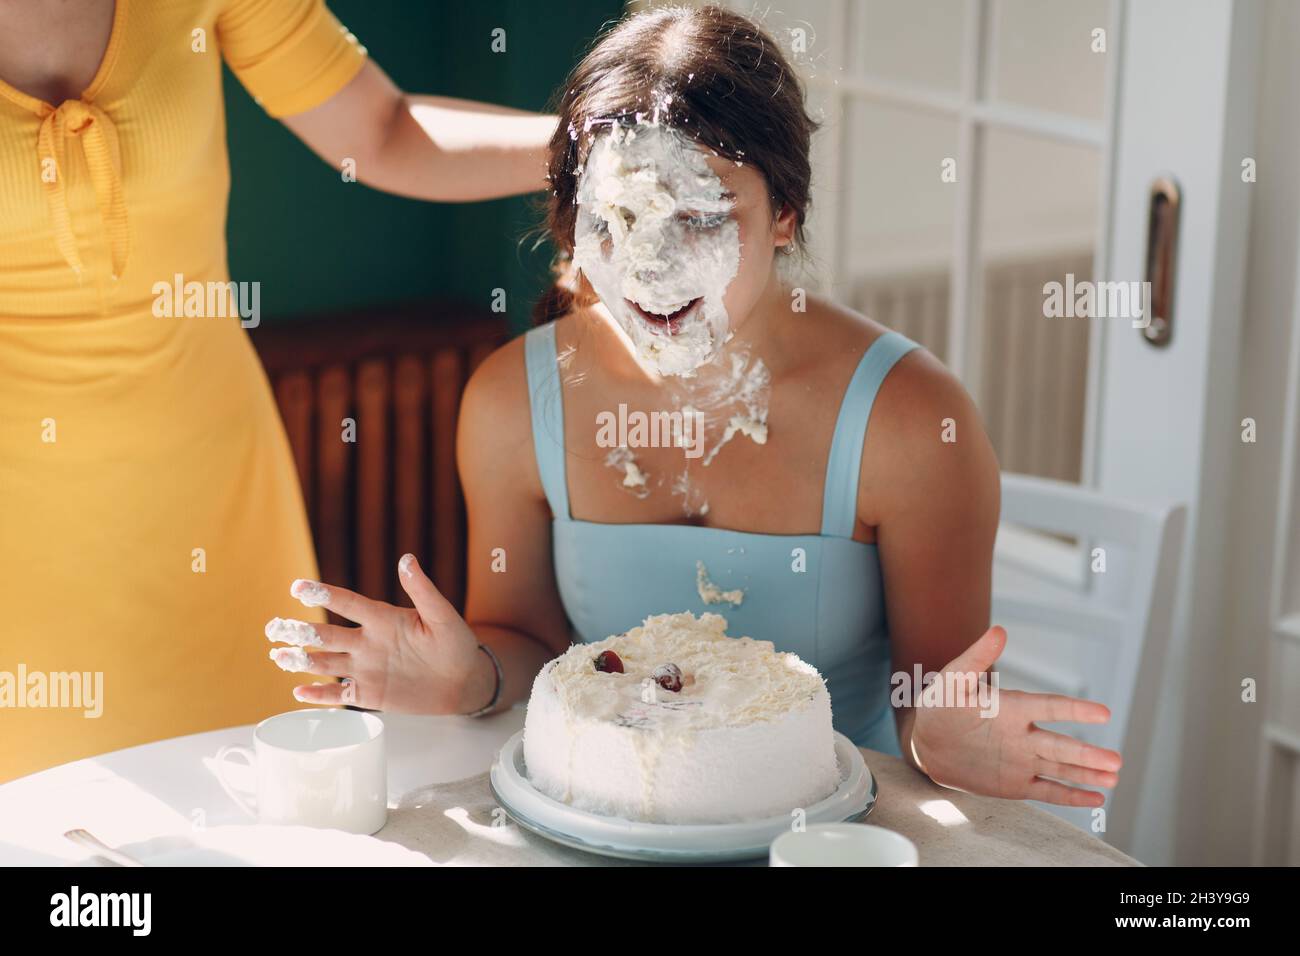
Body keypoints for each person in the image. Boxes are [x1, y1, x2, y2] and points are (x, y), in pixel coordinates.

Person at [273, 5, 1123, 807]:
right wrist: (475, 678)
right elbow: (525, 646)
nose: (649, 268)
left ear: (784, 212)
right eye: (613, 221)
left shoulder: (912, 423)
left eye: (698, 216)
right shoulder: (510, 402)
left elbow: (932, 704)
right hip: (602, 821)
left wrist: (943, 742)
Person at [0, 0, 554, 782]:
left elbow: (381, 131)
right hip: (18, 525)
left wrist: (599, 142)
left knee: (258, 796)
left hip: (210, 487)